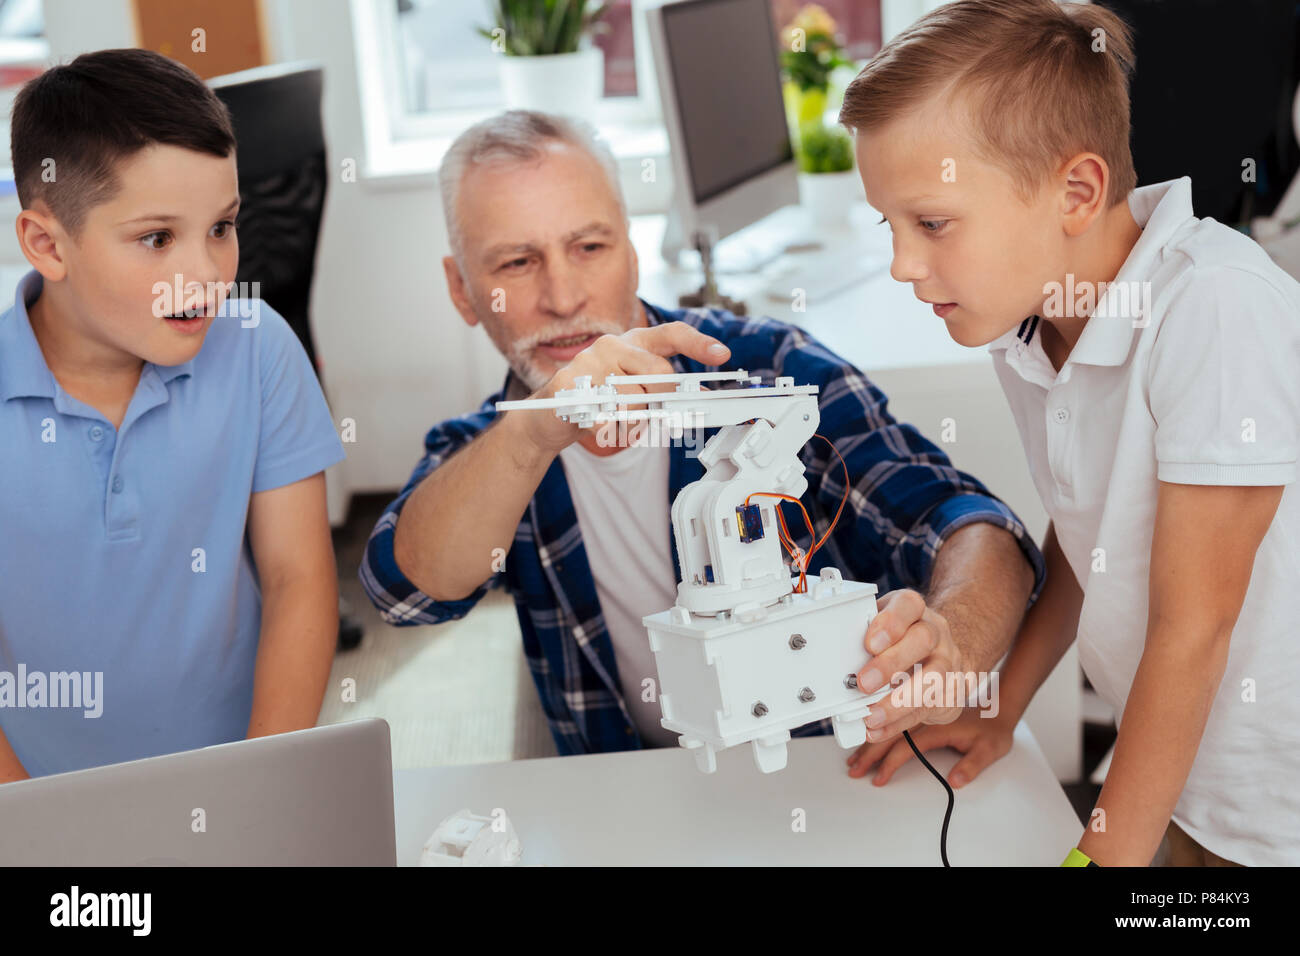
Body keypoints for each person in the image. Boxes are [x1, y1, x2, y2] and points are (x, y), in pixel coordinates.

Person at [360, 109, 1045, 759]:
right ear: (461, 290)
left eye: (589, 246)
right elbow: (404, 593)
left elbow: (974, 526)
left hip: (827, 770)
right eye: (516, 262)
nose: (563, 298)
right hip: (638, 789)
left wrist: (954, 639)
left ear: (630, 248)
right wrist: (534, 438)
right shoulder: (491, 447)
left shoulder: (763, 368)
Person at [842, 0, 1299, 866]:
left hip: (1273, 801)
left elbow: (1195, 629)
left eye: (931, 222)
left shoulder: (1213, 308)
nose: (903, 264)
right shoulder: (1031, 323)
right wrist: (1001, 703)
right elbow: (1093, 528)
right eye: (890, 227)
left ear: (1077, 193)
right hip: (1176, 773)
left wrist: (1101, 857)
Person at [0, 49, 345, 781]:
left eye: (222, 227)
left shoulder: (258, 352)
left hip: (240, 774)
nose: (209, 274)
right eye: (157, 238)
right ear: (46, 244)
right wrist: (28, 826)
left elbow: (298, 581)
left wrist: (258, 783)